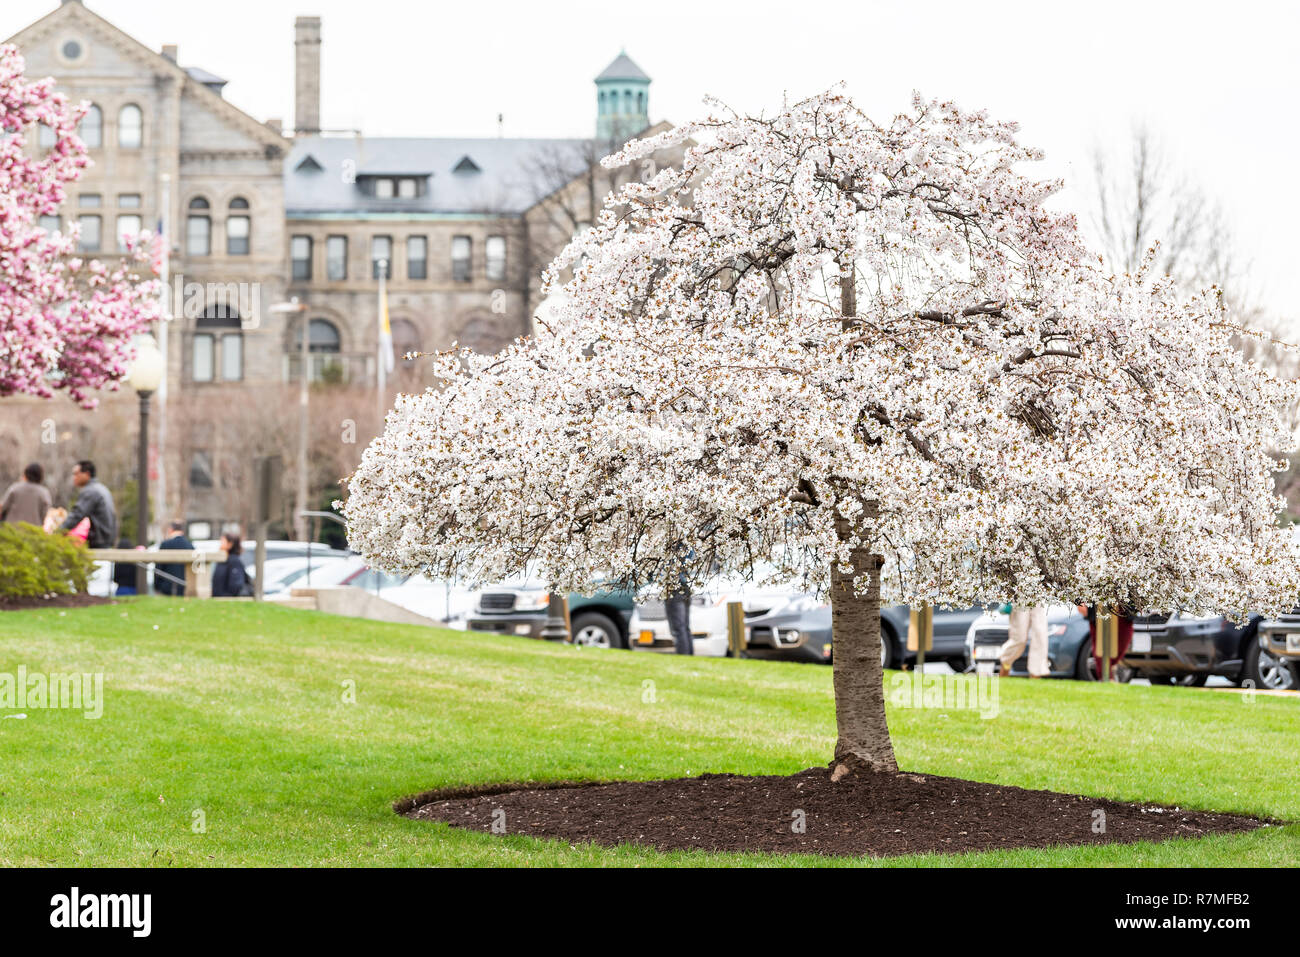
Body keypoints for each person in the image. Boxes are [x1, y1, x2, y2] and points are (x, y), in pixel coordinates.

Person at [59, 460, 117, 549]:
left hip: (99, 543)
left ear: (86, 474)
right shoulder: (102, 489)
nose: (74, 477)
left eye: (76, 474)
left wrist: (57, 532)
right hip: (107, 542)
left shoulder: (90, 491)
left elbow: (76, 515)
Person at [998, 603, 1050, 678]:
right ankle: (1005, 663)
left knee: (1040, 636)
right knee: (1019, 638)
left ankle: (1035, 677)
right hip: (1020, 597)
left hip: (1038, 596)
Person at [1086, 603, 1134, 681]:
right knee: (1099, 645)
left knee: (1121, 643)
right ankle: (1106, 677)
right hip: (1097, 607)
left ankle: (1108, 672)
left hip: (1123, 607)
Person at [1, 463, 53, 527]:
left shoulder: (15, 488)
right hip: (33, 532)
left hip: (11, 531)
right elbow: (45, 515)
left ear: (25, 474)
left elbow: (3, 508)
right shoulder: (44, 493)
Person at [155, 520, 193, 596]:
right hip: (184, 586)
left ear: (171, 529)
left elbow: (159, 566)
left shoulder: (165, 544)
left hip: (166, 586)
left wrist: (157, 585)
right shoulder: (189, 545)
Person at [211, 532, 248, 597]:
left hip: (227, 599)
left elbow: (236, 585)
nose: (220, 544)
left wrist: (226, 596)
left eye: (223, 541)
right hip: (218, 599)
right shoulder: (223, 560)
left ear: (230, 544)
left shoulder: (234, 561)